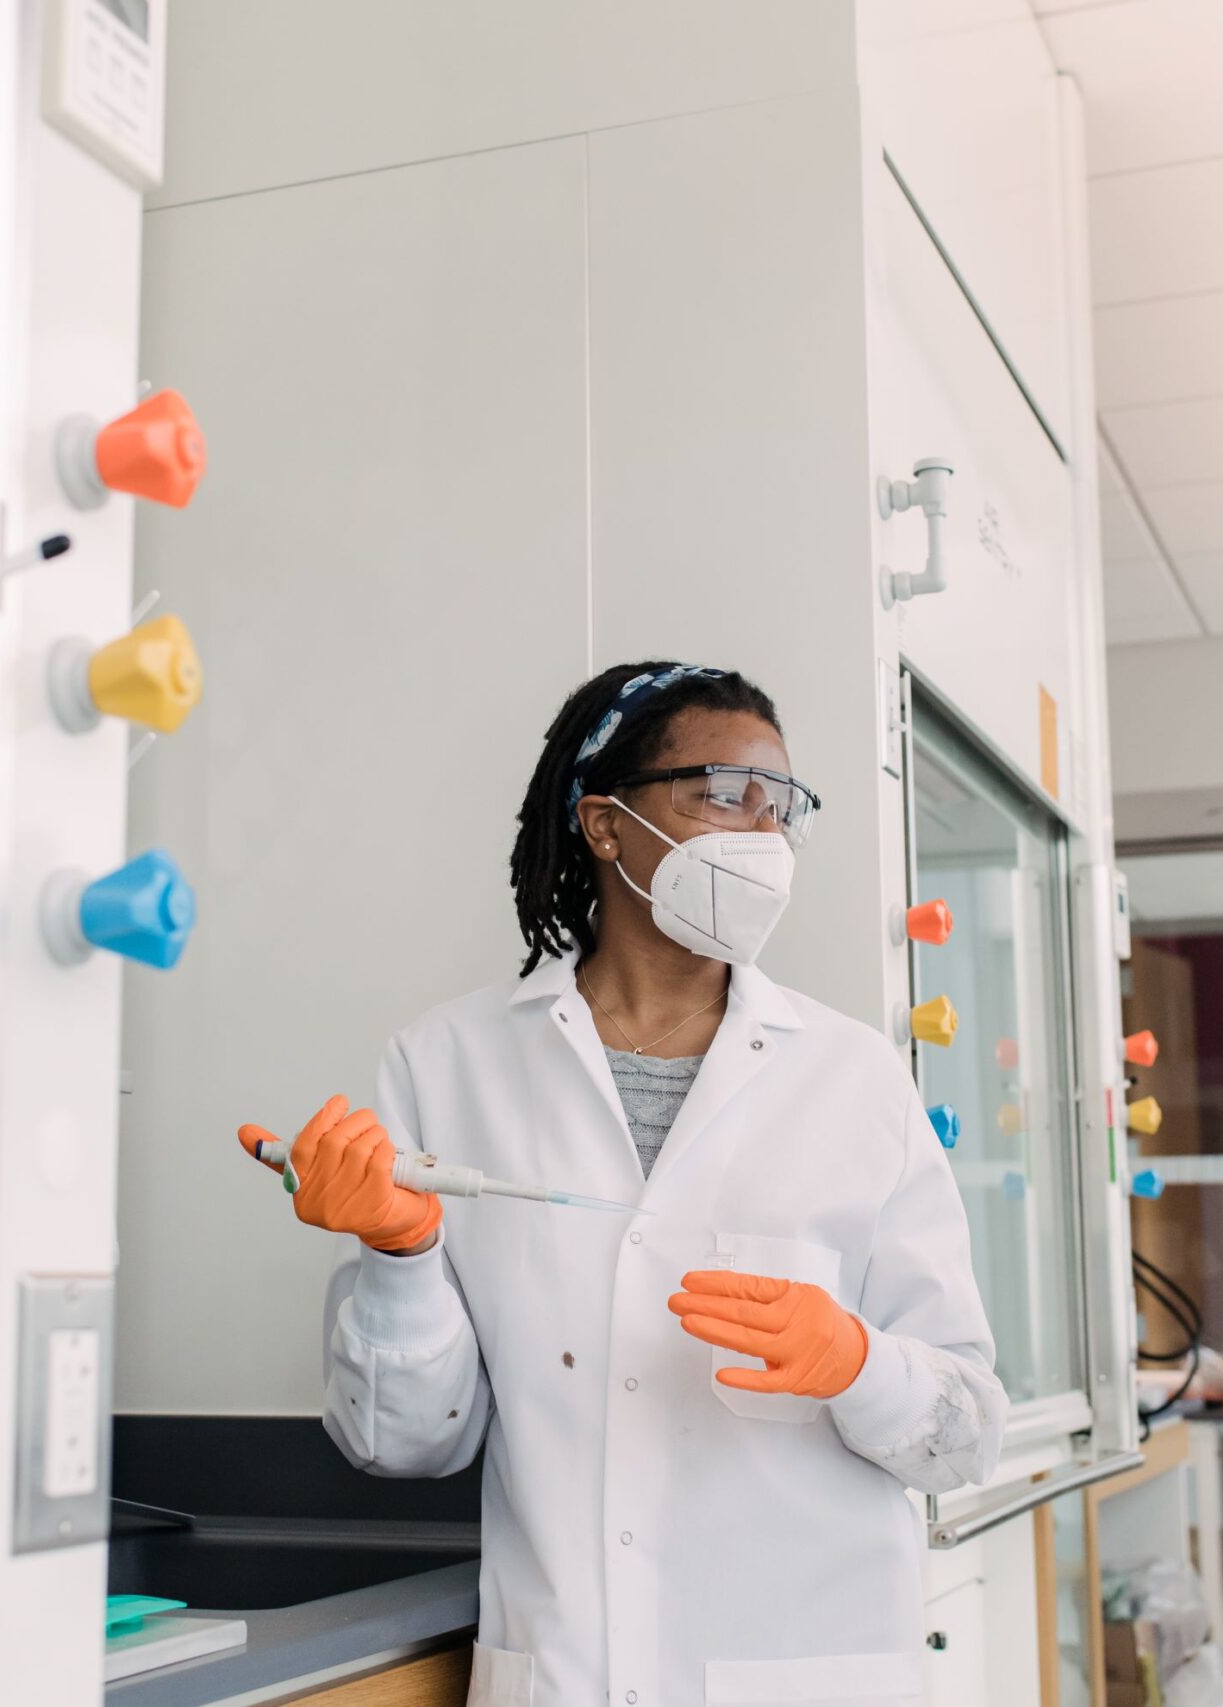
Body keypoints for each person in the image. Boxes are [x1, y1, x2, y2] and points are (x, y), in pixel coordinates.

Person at [237, 661, 1006, 1706]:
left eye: (781, 806)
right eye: (723, 793)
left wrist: (857, 1363)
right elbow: (403, 1443)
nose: (762, 834)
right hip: (567, 1676)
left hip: (808, 1671)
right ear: (605, 826)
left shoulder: (854, 1077)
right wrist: (399, 1252)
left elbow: (965, 1432)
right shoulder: (448, 1063)